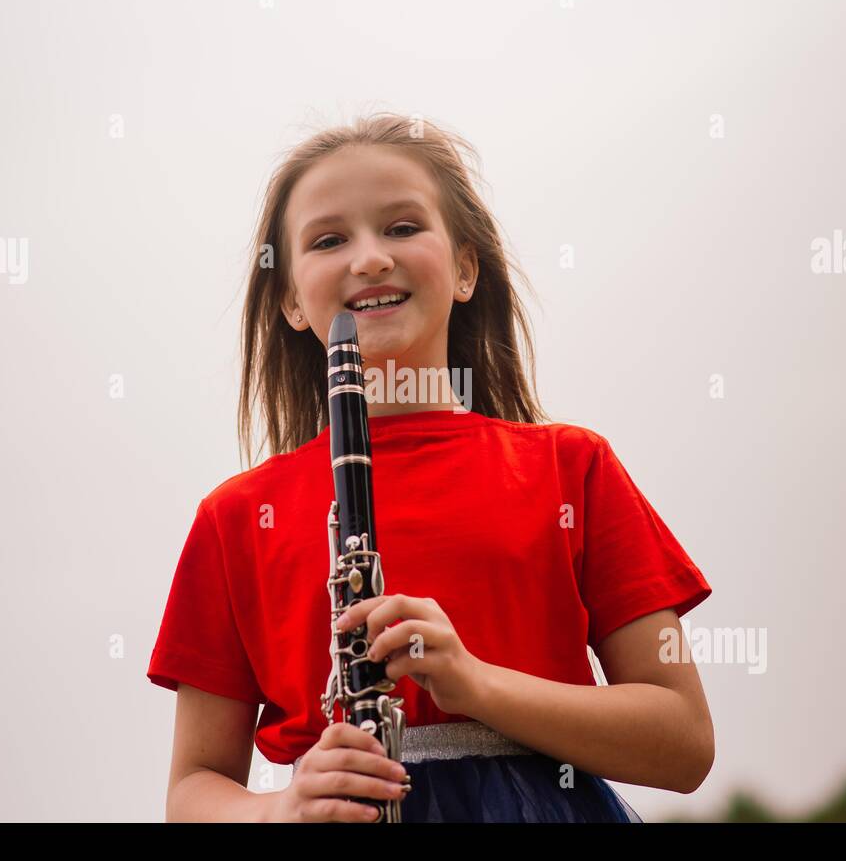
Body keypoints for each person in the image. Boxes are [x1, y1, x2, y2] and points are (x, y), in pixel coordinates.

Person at [147, 112, 714, 822]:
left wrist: (474, 683)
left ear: (467, 267)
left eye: (403, 227)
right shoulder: (234, 517)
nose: (370, 259)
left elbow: (685, 741)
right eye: (328, 240)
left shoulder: (573, 467)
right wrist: (280, 807)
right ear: (291, 298)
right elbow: (193, 786)